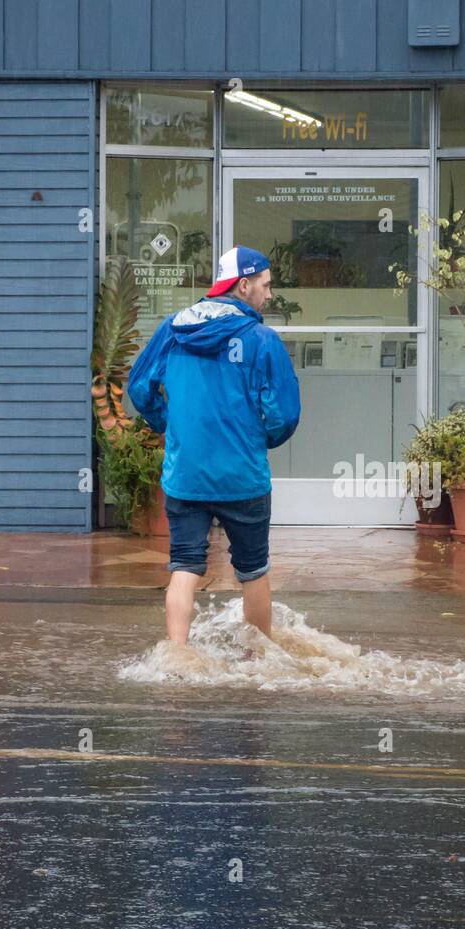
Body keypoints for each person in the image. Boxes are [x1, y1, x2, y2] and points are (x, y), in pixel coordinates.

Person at [127, 246, 301, 646]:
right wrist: (262, 439)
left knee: (184, 566)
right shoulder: (262, 340)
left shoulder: (172, 330)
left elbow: (140, 386)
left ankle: (176, 654)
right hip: (243, 477)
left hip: (186, 473)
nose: (269, 295)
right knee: (253, 570)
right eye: (265, 285)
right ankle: (258, 659)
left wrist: (168, 425)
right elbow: (285, 415)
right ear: (243, 285)